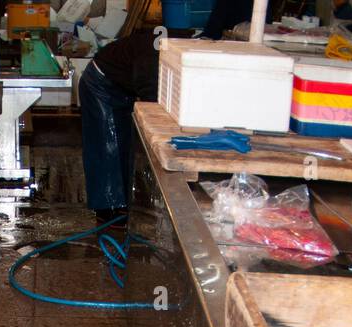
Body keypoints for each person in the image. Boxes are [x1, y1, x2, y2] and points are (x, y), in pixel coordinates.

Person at [79, 0, 257, 223]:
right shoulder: (159, 59)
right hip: (100, 83)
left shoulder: (188, 44)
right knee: (108, 146)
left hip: (124, 83)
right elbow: (154, 99)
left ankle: (122, 205)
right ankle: (109, 213)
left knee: (123, 146)